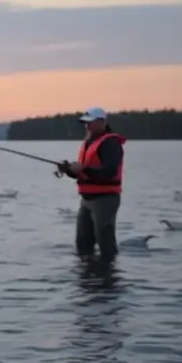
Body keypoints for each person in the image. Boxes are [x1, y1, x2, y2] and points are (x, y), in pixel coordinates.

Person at [57, 106, 126, 261]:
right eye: (85, 123)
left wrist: (83, 168)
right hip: (86, 200)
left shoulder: (110, 143)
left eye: (90, 122)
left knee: (105, 245)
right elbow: (83, 174)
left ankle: (108, 278)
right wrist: (68, 170)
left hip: (105, 200)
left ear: (101, 122)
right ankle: (88, 278)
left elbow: (109, 171)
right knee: (82, 244)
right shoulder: (89, 142)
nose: (87, 126)